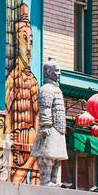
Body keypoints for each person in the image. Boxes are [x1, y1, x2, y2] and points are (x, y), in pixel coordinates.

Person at [32, 58, 69, 186]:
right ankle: (46, 181)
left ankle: (55, 181)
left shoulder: (56, 89)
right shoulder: (46, 89)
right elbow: (45, 107)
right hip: (50, 129)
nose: (59, 74)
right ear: (48, 72)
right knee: (47, 157)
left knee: (57, 158)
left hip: (58, 129)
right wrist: (45, 124)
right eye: (57, 71)